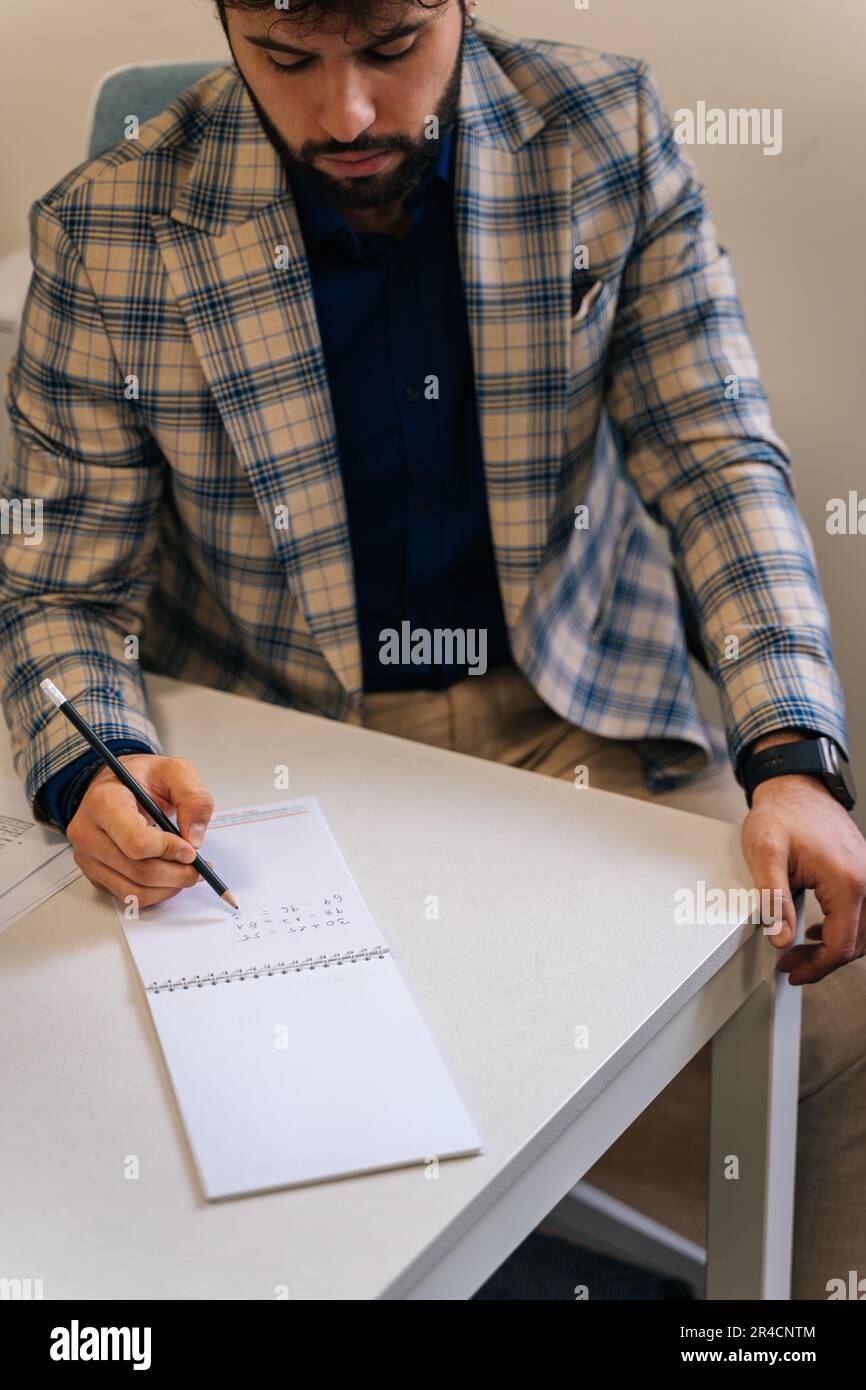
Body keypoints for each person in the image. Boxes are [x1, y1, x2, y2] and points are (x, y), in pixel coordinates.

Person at [1, 0, 864, 1299]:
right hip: (282, 752)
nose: (343, 112)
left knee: (847, 1023)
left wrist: (790, 752)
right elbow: (57, 585)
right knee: (137, 1103)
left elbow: (711, 451)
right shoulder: (103, 227)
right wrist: (94, 766)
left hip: (577, 714)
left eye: (392, 48)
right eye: (286, 60)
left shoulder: (604, 129)